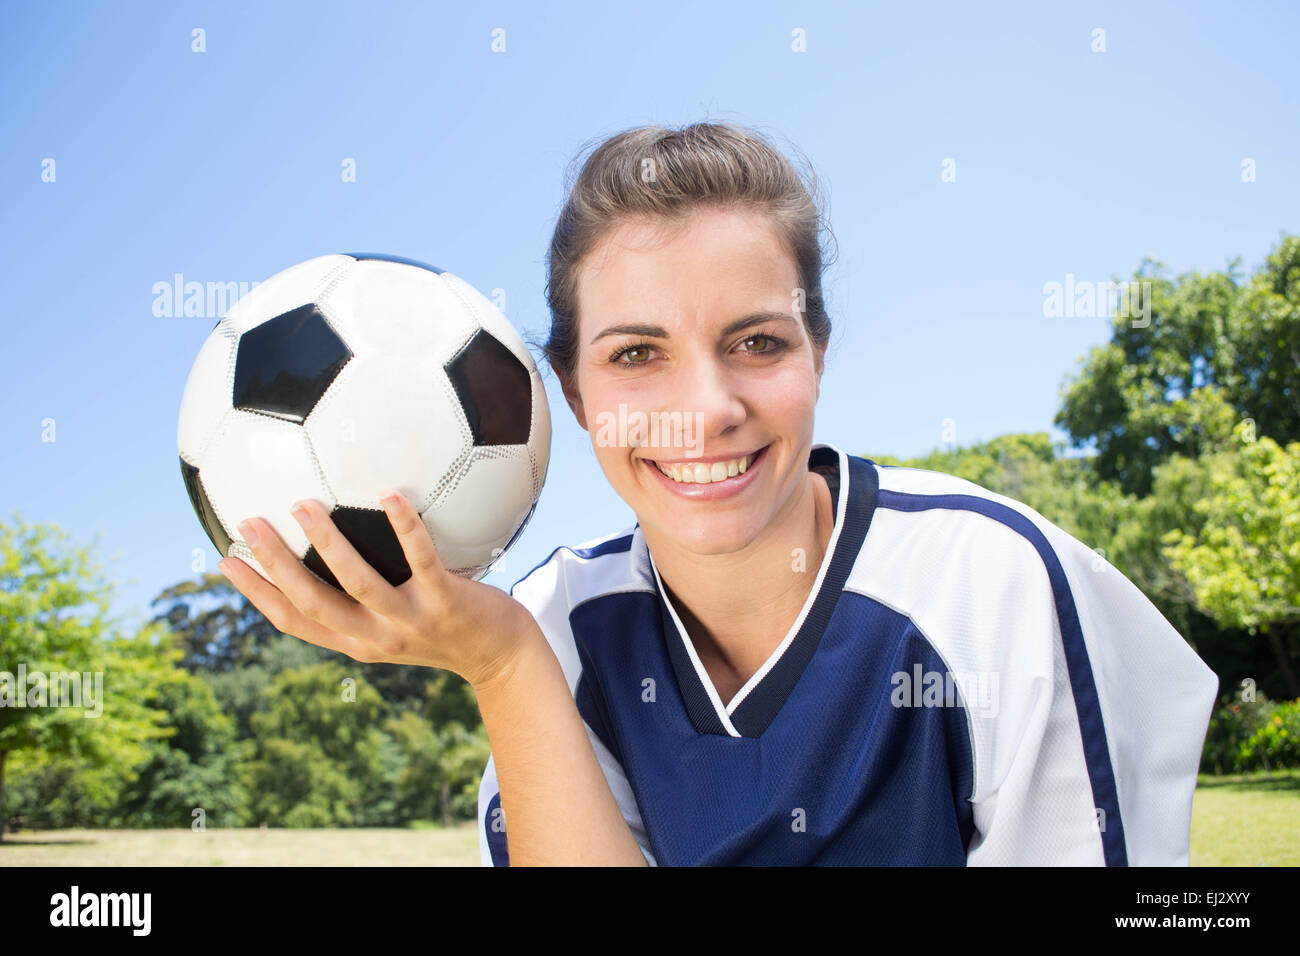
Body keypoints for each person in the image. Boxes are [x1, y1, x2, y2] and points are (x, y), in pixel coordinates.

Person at [219, 122, 1219, 867]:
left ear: (817, 353)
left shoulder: (989, 580)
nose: (705, 409)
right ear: (568, 391)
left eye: (756, 342)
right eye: (637, 353)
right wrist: (504, 665)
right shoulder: (555, 626)